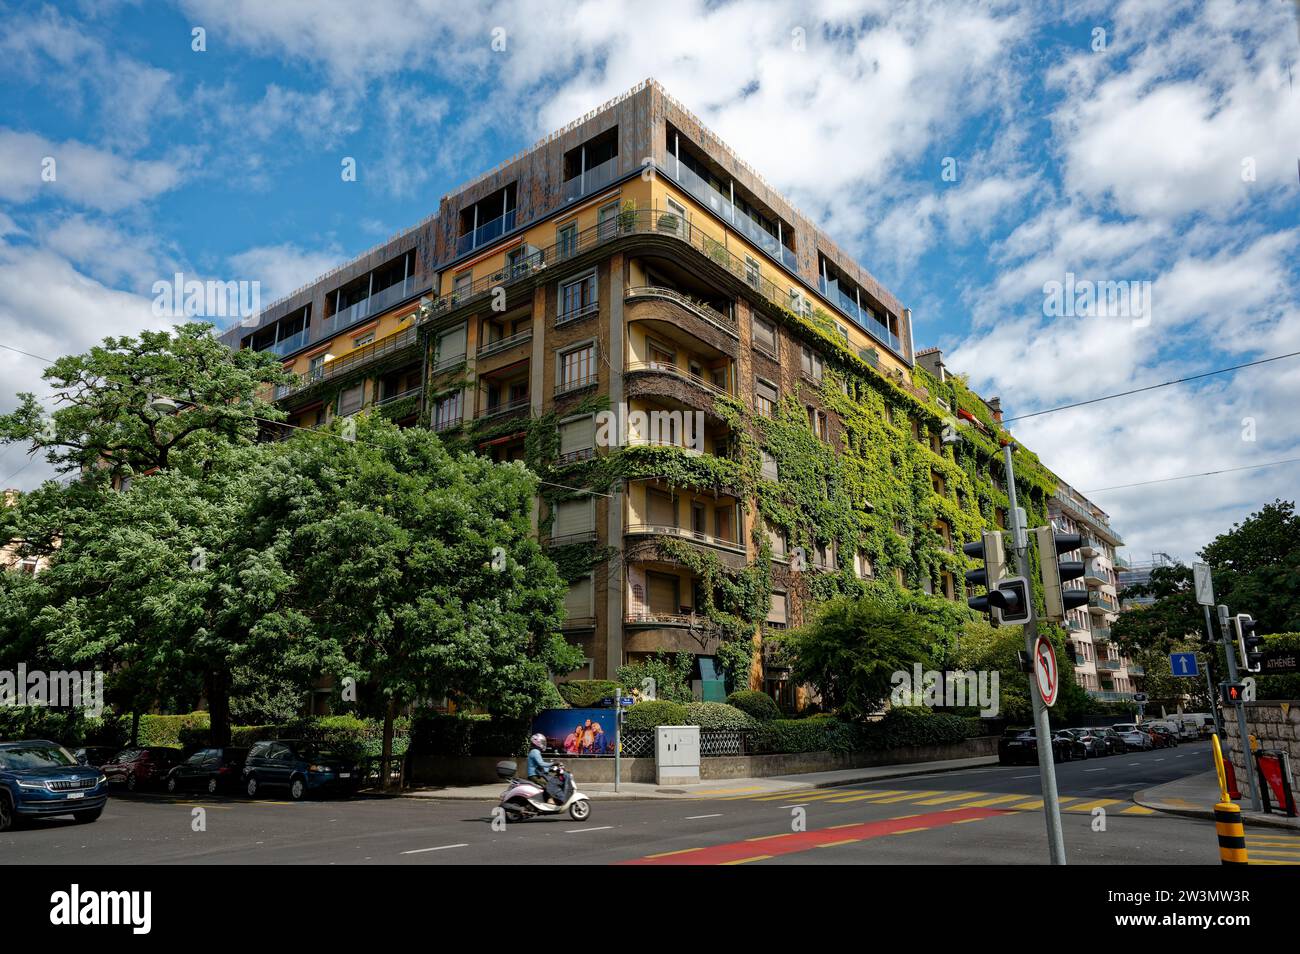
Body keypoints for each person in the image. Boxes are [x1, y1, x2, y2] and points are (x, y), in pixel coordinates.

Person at [527, 733, 562, 804]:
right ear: (537, 742)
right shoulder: (535, 752)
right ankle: (550, 800)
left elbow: (540, 765)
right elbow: (541, 763)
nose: (544, 744)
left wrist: (550, 769)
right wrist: (553, 763)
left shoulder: (535, 751)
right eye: (542, 742)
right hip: (534, 776)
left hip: (536, 774)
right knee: (548, 784)